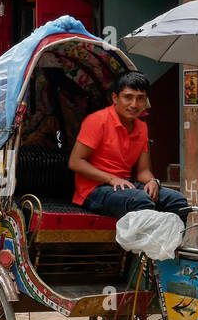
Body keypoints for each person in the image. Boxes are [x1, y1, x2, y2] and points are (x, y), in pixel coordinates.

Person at [69, 71, 189, 219]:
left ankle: (171, 242)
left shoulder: (141, 127)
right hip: (94, 189)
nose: (134, 104)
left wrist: (152, 181)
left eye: (140, 98)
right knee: (140, 200)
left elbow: (143, 171)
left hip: (127, 185)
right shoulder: (97, 121)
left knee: (178, 201)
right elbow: (75, 162)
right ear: (115, 98)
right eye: (128, 97)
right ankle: (147, 243)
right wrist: (112, 179)